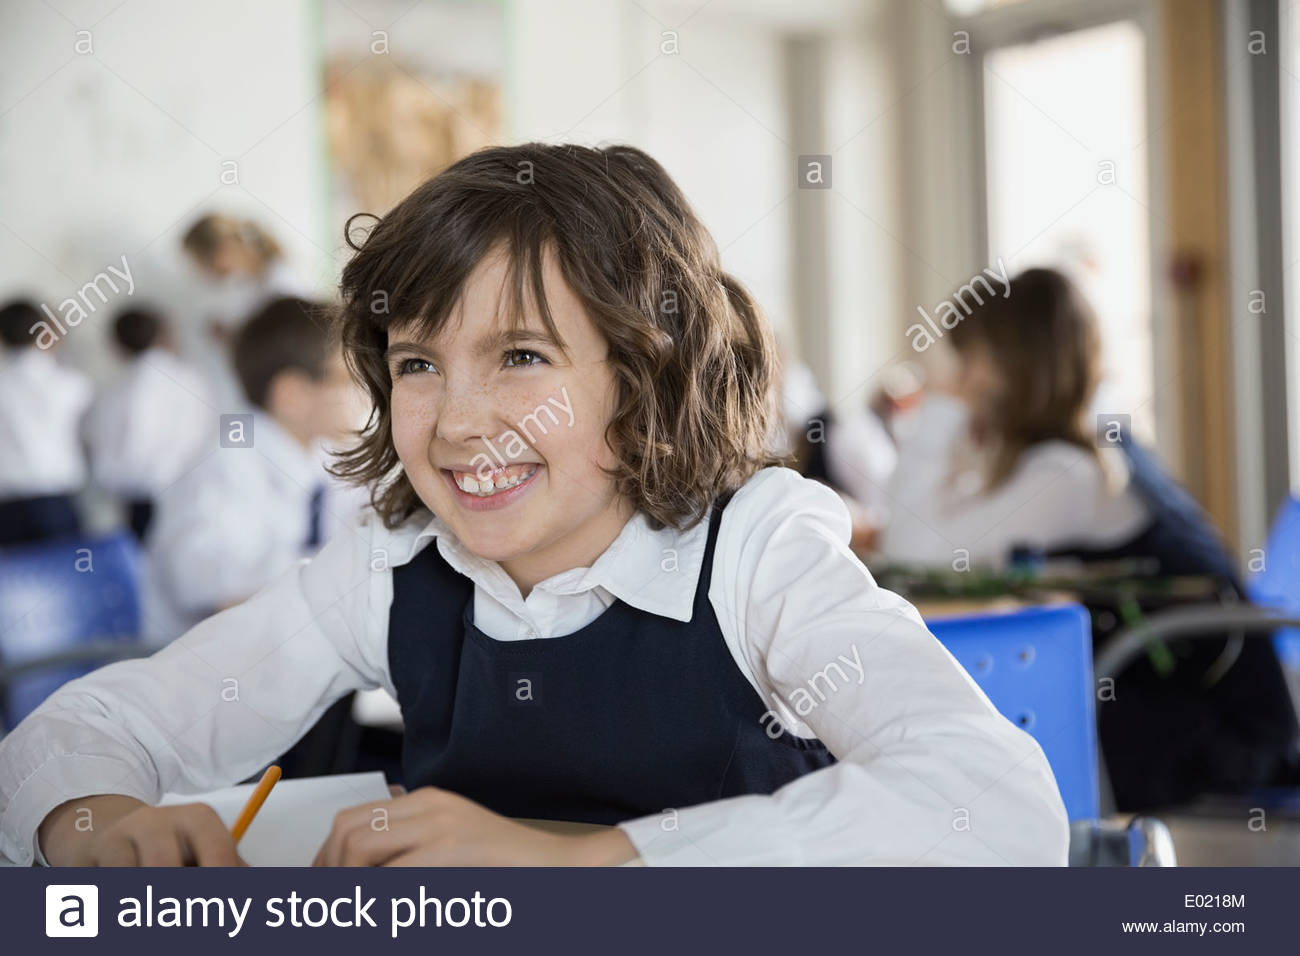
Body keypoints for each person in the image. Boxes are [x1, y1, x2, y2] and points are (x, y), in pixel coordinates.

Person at [0, 144, 1067, 868]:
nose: (456, 420)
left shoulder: (755, 551)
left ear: (646, 374)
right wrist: (98, 821)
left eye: (519, 355)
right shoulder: (393, 565)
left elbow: (999, 806)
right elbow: (104, 722)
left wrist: (589, 862)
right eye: (417, 362)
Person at [880, 267, 1299, 809]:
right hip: (1159, 697)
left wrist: (941, 411)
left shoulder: (1066, 474)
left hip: (1212, 729)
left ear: (1004, 368)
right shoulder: (1077, 455)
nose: (959, 375)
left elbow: (912, 548)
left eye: (967, 359)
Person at [140, 296, 366, 644]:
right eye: (350, 377)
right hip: (210, 668)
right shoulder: (226, 465)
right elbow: (209, 591)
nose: (367, 390)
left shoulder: (324, 454)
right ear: (292, 394)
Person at [84, 307, 212, 541]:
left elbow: (99, 445)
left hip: (135, 497)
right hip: (188, 494)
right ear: (162, 334)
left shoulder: (111, 390)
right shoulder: (190, 378)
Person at [0, 299, 93, 547]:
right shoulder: (71, 384)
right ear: (44, 330)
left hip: (7, 507)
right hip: (58, 502)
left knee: (15, 584)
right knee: (70, 581)